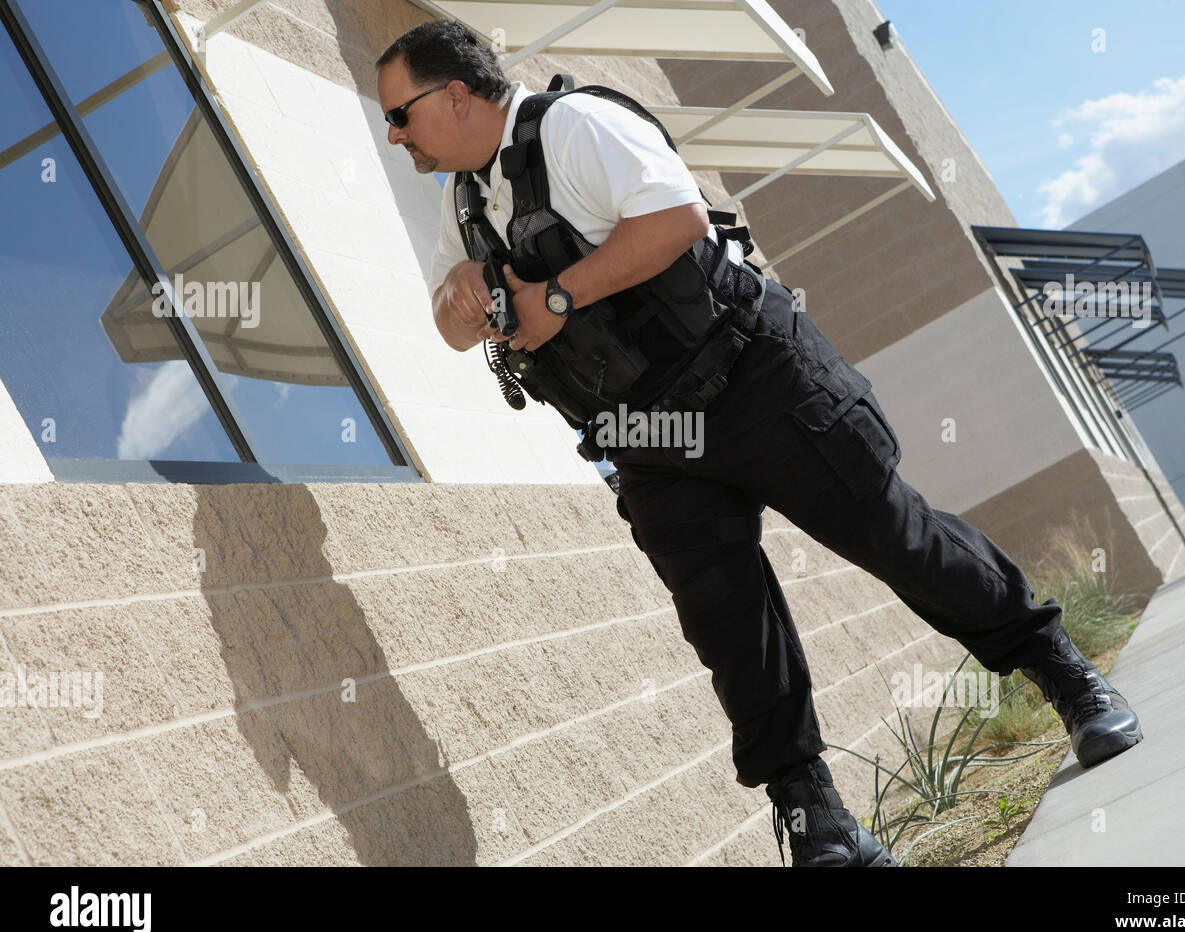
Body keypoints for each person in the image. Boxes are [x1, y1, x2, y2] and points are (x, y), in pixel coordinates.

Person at [376, 19, 1144, 867]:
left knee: (894, 536)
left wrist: (552, 299)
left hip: (753, 379)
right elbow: (454, 327)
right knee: (727, 622)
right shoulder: (465, 201)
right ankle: (819, 819)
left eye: (401, 116)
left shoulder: (576, 126)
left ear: (455, 94)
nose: (395, 135)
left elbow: (673, 221)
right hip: (648, 434)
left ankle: (1063, 672)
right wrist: (462, 299)